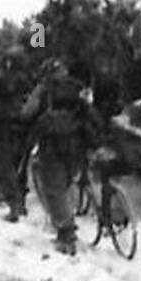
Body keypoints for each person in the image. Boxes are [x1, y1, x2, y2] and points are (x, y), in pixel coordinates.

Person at [25, 57, 94, 256]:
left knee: (54, 189)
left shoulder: (44, 89)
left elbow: (28, 112)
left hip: (52, 143)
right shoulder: (78, 87)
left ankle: (66, 235)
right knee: (67, 183)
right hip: (77, 140)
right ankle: (68, 219)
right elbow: (89, 110)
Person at [0, 46, 33, 221]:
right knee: (20, 166)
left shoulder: (5, 79)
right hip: (24, 127)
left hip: (3, 126)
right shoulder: (28, 79)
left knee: (3, 166)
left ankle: (14, 205)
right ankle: (22, 202)